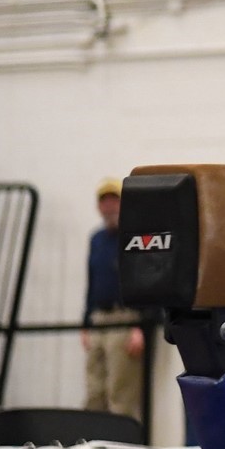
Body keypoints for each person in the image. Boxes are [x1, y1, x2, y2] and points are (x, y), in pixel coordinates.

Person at [82, 178, 145, 421]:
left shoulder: (134, 238)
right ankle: (92, 445)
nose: (109, 207)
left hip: (124, 319)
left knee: (121, 393)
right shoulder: (96, 239)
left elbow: (145, 280)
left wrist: (140, 325)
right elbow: (91, 280)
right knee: (94, 391)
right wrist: (85, 321)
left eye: (114, 201)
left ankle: (123, 445)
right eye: (105, 202)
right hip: (99, 318)